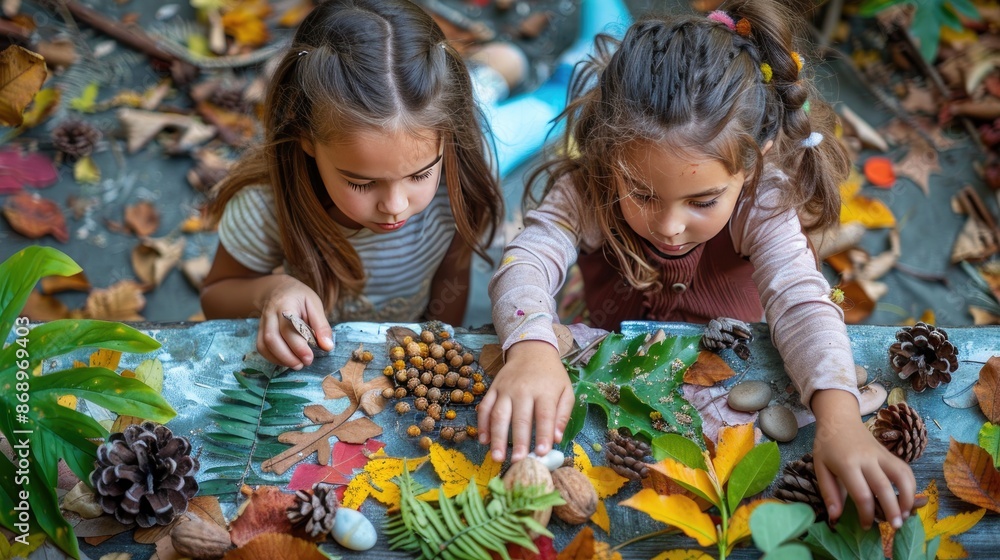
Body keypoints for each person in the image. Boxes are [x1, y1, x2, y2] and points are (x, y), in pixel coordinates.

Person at [480, 0, 915, 531]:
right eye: (642, 193)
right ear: (610, 152)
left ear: (754, 160)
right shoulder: (590, 187)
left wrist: (840, 420)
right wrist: (530, 347)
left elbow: (801, 302)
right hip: (616, 347)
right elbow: (528, 257)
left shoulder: (763, 202)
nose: (668, 226)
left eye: (703, 201)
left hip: (730, 365)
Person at [201, 0, 502, 371]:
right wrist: (272, 292)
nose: (395, 205)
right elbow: (215, 298)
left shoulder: (461, 181)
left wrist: (439, 350)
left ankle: (508, 72)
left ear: (447, 140)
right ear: (307, 139)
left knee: (511, 94)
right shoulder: (265, 206)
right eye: (362, 183)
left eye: (420, 175)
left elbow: (452, 276)